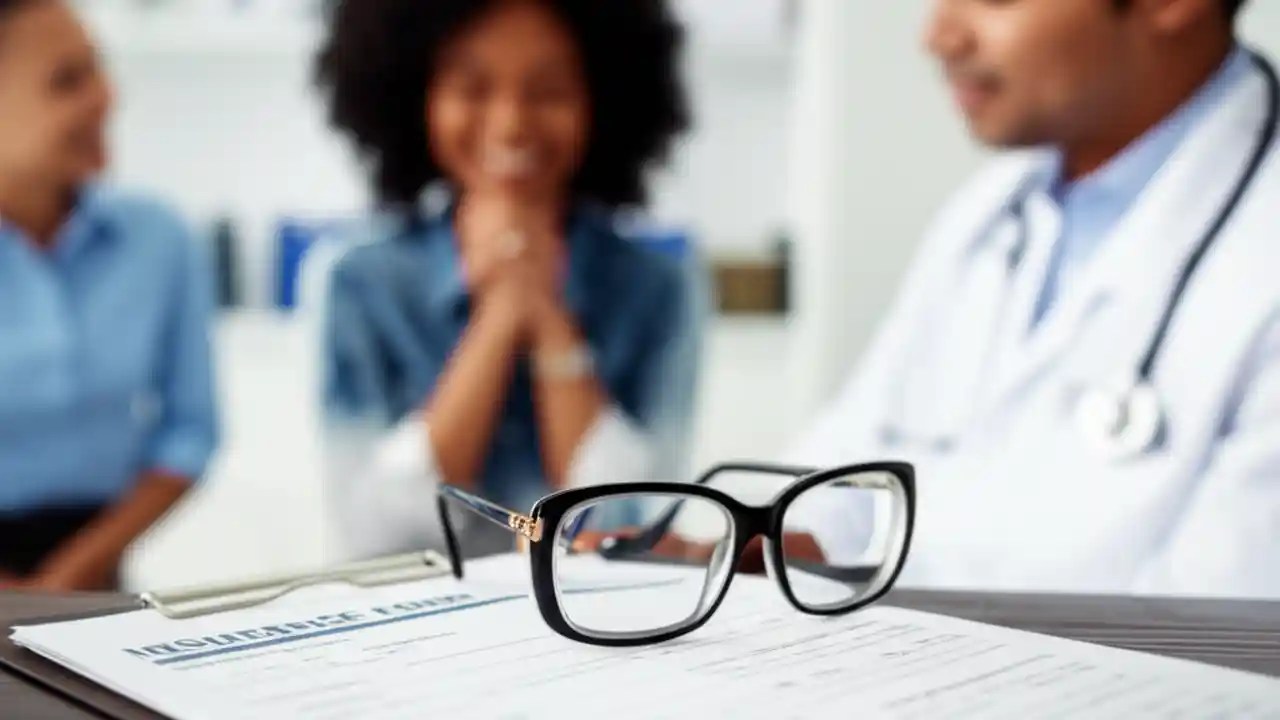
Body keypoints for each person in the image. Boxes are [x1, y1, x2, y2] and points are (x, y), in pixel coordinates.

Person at [771, 0, 1280, 598]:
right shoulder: (991, 214)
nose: (939, 37)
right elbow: (842, 477)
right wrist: (750, 552)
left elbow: (1230, 635)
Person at [314, 0, 700, 559]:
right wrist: (501, 315)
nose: (511, 123)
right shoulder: (357, 283)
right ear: (417, 95)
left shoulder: (659, 289)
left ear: (602, 99)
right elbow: (376, 543)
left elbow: (624, 530)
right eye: (472, 89)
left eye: (547, 91)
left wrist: (548, 319)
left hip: (601, 629)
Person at [0, 0, 219, 590]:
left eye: (96, 69)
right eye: (66, 81)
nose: (106, 98)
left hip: (95, 579)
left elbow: (191, 432)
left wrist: (65, 580)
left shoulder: (159, 239)